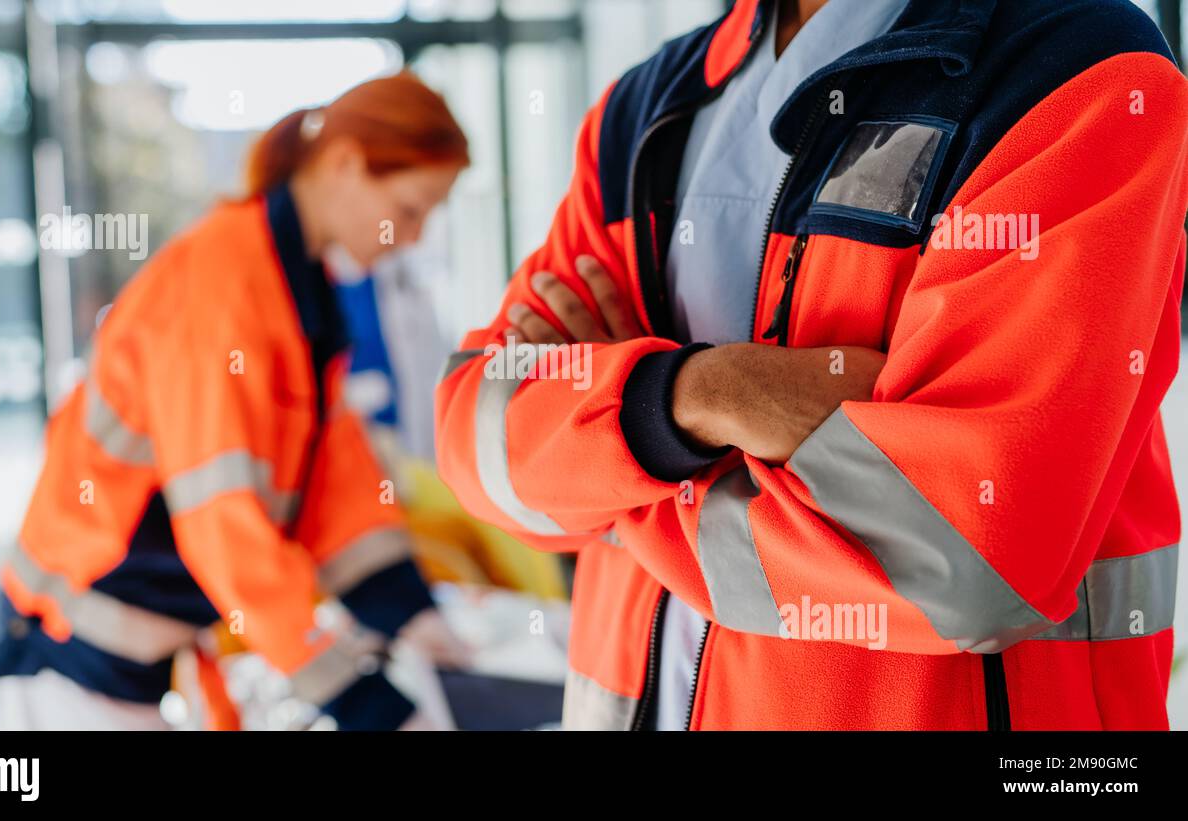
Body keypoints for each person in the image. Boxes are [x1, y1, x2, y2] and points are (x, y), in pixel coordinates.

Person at [435, 0, 1188, 729]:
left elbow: (958, 560)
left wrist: (615, 447)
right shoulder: (642, 107)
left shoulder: (1076, 71)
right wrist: (698, 396)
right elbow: (475, 440)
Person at [0, 71, 472, 731]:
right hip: (73, 655)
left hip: (132, 657)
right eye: (411, 209)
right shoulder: (225, 286)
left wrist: (409, 611)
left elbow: (337, 479)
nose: (412, 236)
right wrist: (362, 702)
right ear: (347, 164)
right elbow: (223, 523)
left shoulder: (301, 289)